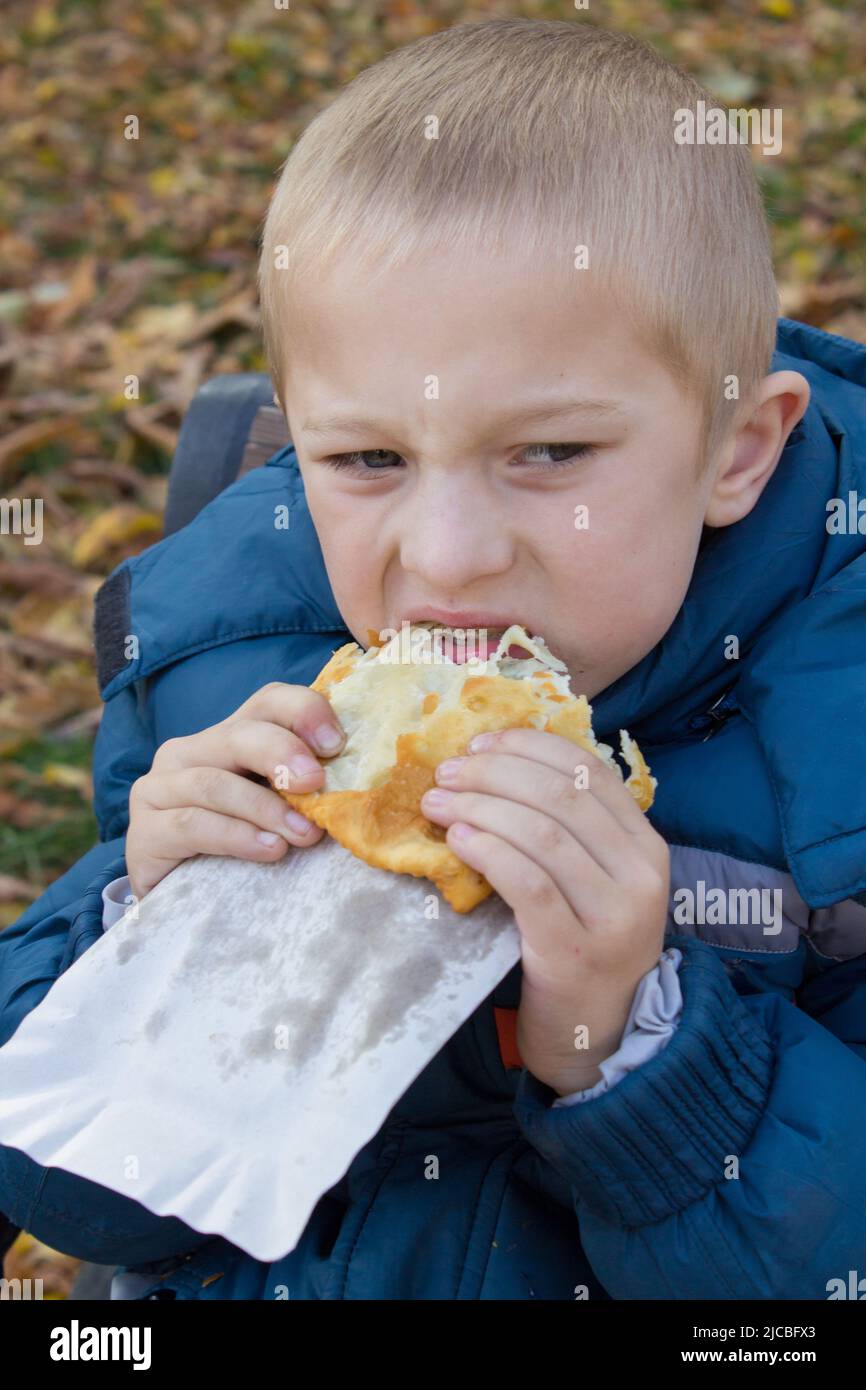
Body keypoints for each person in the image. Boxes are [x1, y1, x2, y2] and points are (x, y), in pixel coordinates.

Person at [2, 18, 865, 1301]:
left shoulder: (831, 775)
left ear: (736, 449)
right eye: (368, 462)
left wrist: (630, 1036)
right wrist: (140, 926)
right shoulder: (238, 684)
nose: (446, 557)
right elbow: (75, 1196)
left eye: (550, 454)